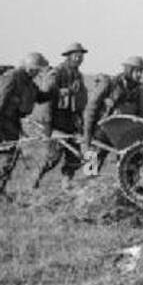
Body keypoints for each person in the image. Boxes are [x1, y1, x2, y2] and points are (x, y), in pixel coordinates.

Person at [0, 52, 49, 197]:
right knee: (10, 156)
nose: (38, 73)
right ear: (29, 68)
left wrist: (55, 91)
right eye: (36, 69)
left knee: (12, 156)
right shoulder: (13, 77)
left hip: (14, 120)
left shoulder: (27, 81)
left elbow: (39, 97)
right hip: (5, 121)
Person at [31, 42, 89, 188]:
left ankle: (67, 183)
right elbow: (46, 101)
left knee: (76, 155)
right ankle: (33, 182)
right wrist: (48, 128)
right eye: (76, 55)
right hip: (56, 122)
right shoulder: (56, 74)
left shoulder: (78, 76)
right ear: (68, 57)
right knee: (53, 157)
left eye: (81, 56)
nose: (79, 58)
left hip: (73, 121)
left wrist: (82, 123)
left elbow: (81, 102)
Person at [83, 55, 143, 168]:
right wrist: (87, 137)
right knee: (90, 169)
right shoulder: (110, 84)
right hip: (103, 131)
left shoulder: (139, 91)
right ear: (129, 70)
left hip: (124, 134)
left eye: (141, 72)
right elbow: (91, 108)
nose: (140, 75)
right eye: (137, 71)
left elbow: (142, 114)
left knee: (127, 167)